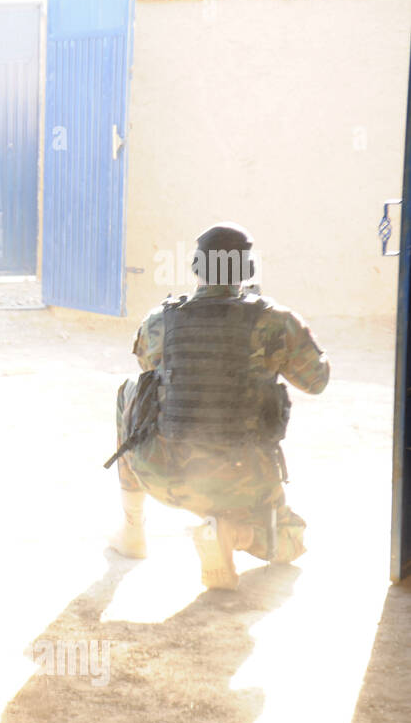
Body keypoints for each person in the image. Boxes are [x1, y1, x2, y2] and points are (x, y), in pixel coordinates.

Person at [108, 222, 331, 590]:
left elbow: (148, 369)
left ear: (196, 269)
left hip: (167, 476)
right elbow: (317, 381)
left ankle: (132, 529)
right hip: (243, 482)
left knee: (129, 392)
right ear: (246, 271)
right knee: (292, 540)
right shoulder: (275, 320)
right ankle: (232, 533)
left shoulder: (161, 319)